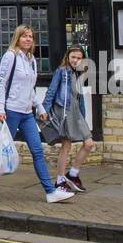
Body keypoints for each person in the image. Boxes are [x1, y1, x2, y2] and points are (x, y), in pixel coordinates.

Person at [0, 26, 75, 204]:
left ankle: (51, 192)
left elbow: (30, 89)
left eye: (30, 37)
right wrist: (0, 109)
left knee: (37, 151)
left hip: (27, 113)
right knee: (0, 149)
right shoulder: (10, 56)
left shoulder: (31, 60)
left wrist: (40, 108)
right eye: (24, 36)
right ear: (17, 38)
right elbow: (1, 84)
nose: (28, 39)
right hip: (11, 112)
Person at [42, 44, 94, 193]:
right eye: (73, 57)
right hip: (63, 112)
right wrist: (44, 110)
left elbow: (79, 96)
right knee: (66, 145)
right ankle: (59, 181)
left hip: (77, 113)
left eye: (79, 58)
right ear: (68, 57)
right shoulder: (61, 71)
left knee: (89, 144)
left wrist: (83, 116)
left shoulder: (79, 73)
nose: (75, 60)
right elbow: (51, 91)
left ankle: (72, 174)